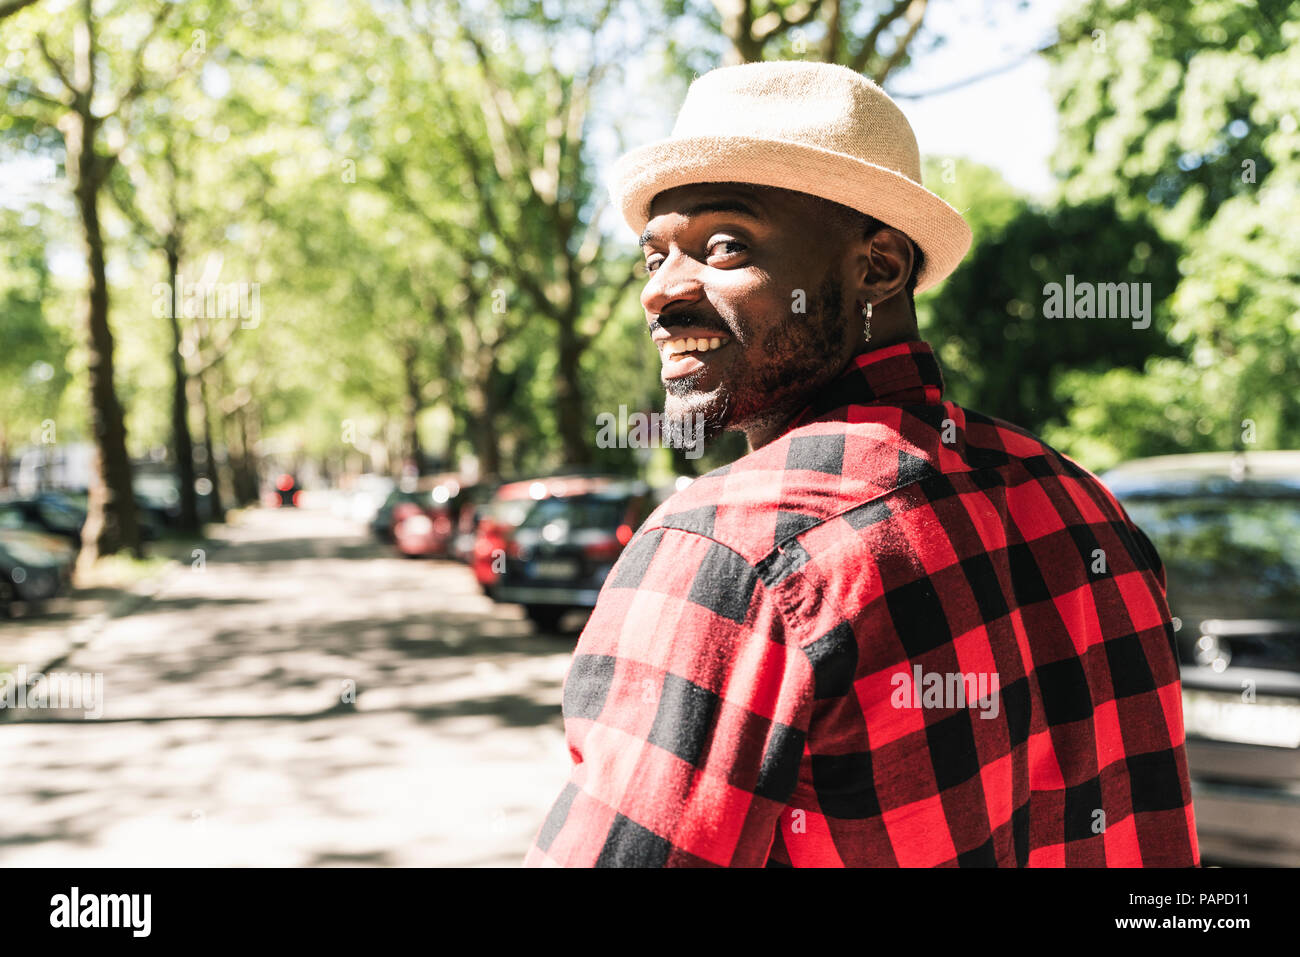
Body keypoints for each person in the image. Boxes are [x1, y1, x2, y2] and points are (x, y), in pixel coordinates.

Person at [523, 60, 1198, 867]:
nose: (662, 292)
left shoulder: (731, 552)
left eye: (724, 245)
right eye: (653, 255)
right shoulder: (1086, 506)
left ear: (878, 267)